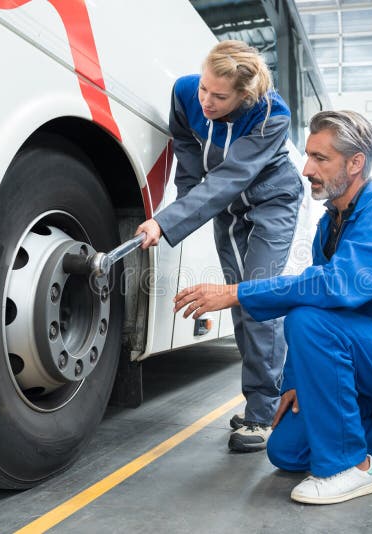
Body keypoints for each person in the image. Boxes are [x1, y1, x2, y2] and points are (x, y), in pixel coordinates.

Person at [172, 110, 372, 505]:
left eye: (321, 158)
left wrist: (239, 292)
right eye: (308, 156)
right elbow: (312, 294)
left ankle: (347, 466)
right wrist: (295, 382)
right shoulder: (330, 224)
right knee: (285, 451)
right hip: (363, 353)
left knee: (308, 322)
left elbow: (339, 284)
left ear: (356, 163)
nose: (306, 169)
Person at [135, 40, 304, 452]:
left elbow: (231, 177)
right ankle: (263, 402)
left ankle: (263, 415)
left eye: (220, 96)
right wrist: (174, 212)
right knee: (241, 305)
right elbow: (190, 162)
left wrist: (167, 221)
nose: (207, 101)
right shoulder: (183, 93)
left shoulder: (271, 114)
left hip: (270, 201)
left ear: (243, 96)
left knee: (256, 299)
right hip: (229, 209)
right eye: (204, 90)